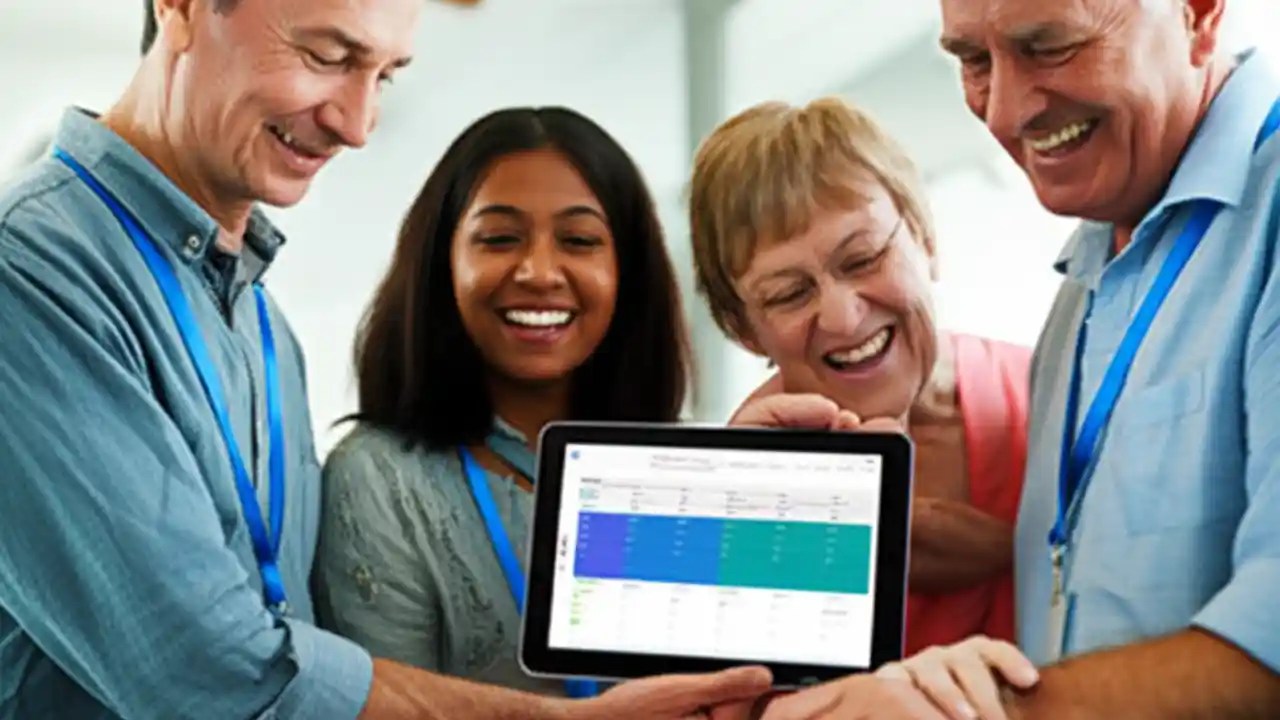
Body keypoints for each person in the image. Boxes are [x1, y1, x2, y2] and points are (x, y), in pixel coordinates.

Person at [0, 1, 781, 717]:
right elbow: (201, 670)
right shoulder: (30, 270)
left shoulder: (261, 323)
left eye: (384, 75)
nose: (358, 123)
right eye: (327, 55)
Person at [741, 0, 1280, 716]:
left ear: (1198, 13)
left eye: (1048, 45)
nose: (1002, 113)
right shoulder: (1082, 290)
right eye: (971, 61)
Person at [311, 106, 690, 696]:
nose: (539, 272)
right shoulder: (380, 478)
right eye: (500, 239)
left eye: (580, 240)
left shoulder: (679, 471)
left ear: (628, 272)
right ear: (443, 265)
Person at [689, 96, 1030, 662]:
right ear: (745, 332)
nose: (845, 317)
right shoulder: (741, 481)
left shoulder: (1056, 389)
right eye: (789, 294)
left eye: (864, 258)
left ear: (925, 240)